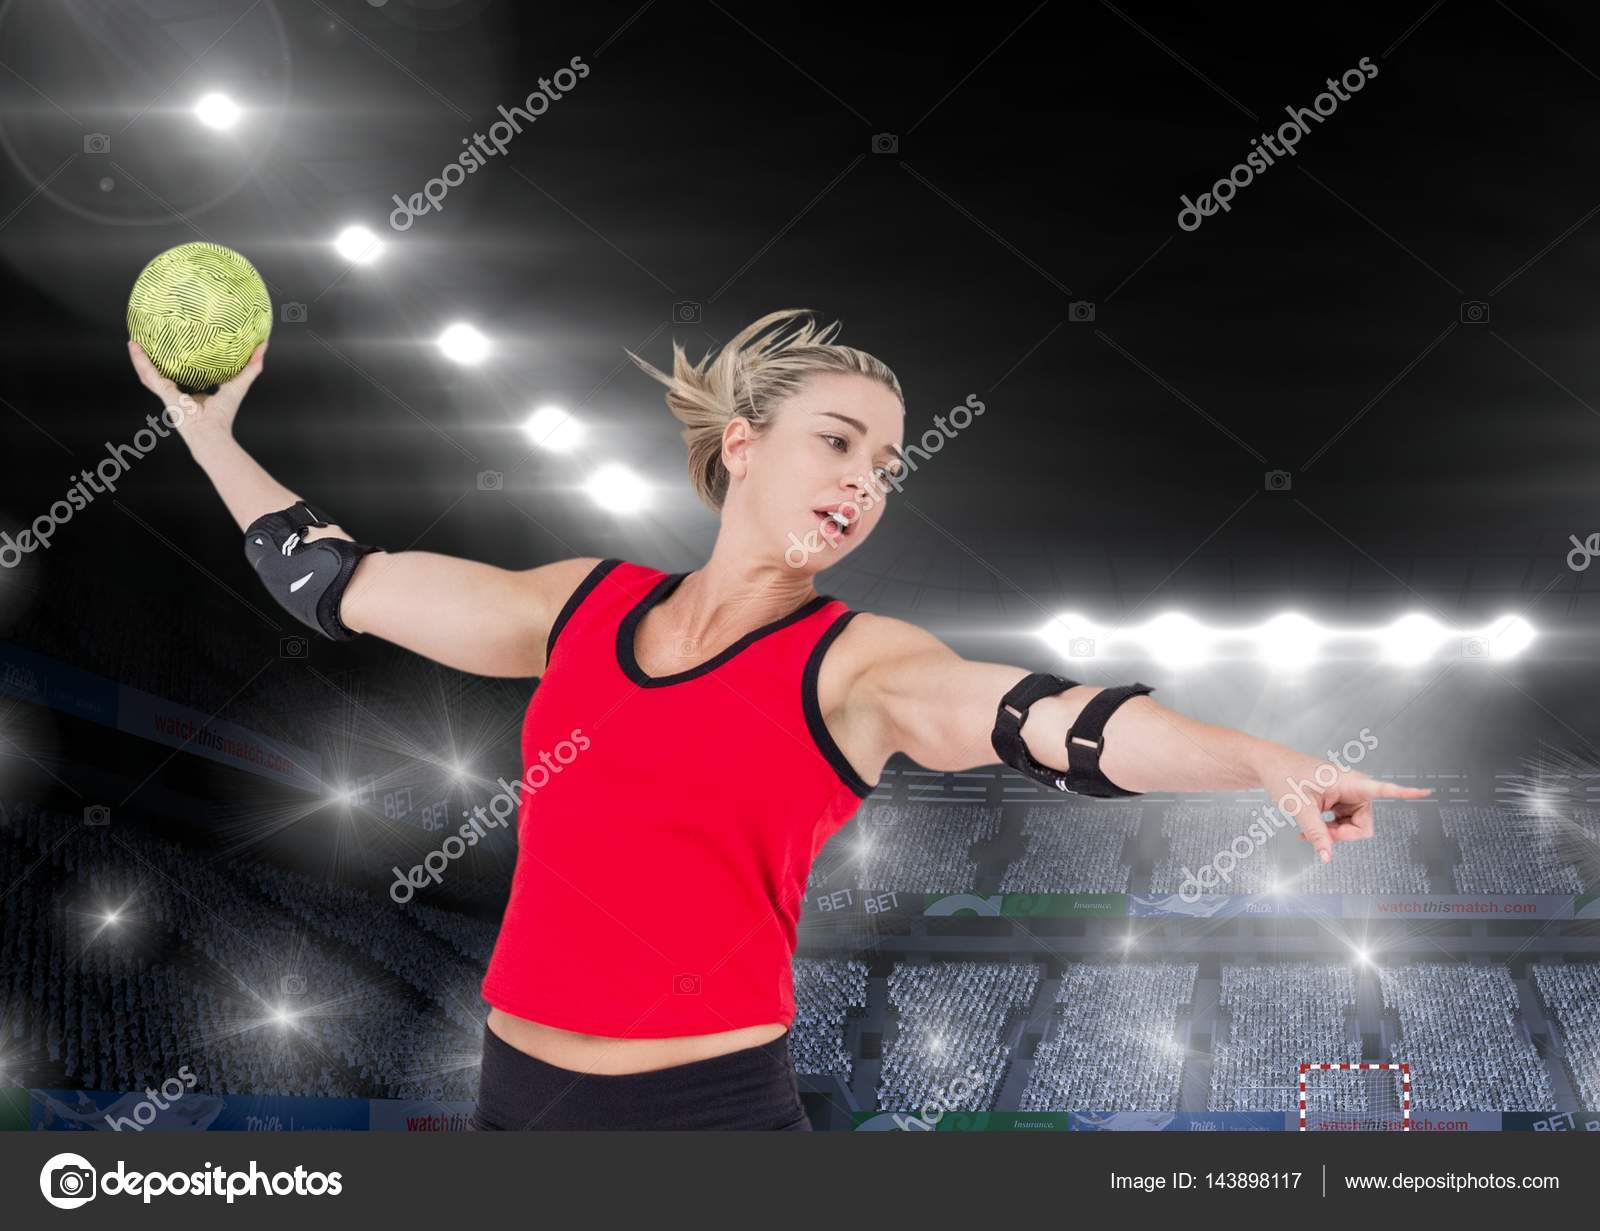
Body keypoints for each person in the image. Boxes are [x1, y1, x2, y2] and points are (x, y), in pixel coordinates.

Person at [127, 308, 1431, 1130]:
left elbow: (1058, 723)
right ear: (742, 444)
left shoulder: (857, 665)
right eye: (839, 441)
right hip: (514, 1091)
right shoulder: (580, 603)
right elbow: (336, 581)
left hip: (705, 1115)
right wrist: (206, 436)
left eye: (886, 465)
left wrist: (1258, 760)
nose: (865, 482)